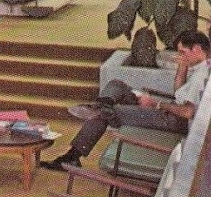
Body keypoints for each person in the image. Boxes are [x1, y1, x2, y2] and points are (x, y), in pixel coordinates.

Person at [41, 29, 210, 170]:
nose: (180, 56)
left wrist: (155, 103)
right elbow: (180, 93)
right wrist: (183, 67)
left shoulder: (204, 74)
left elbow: (188, 112)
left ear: (196, 49)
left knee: (106, 113)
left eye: (183, 52)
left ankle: (73, 155)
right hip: (170, 111)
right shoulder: (201, 66)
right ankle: (101, 106)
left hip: (172, 119)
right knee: (116, 85)